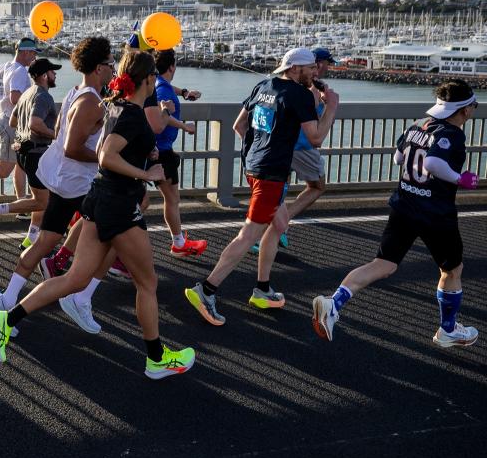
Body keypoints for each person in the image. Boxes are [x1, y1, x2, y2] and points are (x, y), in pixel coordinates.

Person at [0, 50, 196, 379]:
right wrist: (146, 174)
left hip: (99, 199)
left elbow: (107, 147)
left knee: (75, 278)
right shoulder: (134, 115)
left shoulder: (114, 104)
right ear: (150, 80)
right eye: (154, 78)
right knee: (148, 283)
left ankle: (5, 320)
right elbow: (107, 155)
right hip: (120, 206)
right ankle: (156, 358)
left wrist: (144, 151)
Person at [313, 80, 480, 348]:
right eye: (472, 106)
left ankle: (334, 303)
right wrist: (461, 179)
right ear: (464, 110)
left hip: (404, 205)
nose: (472, 111)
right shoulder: (453, 133)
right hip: (435, 213)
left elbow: (398, 159)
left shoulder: (418, 125)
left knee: (384, 264)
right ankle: (448, 330)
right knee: (452, 269)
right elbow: (433, 162)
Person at [185, 47, 339, 326]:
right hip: (270, 175)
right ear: (294, 69)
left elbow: (239, 125)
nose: (315, 72)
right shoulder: (300, 95)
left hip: (253, 167)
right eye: (309, 68)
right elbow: (315, 138)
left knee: (278, 224)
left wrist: (260, 149)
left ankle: (263, 289)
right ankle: (206, 290)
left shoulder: (262, 85)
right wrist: (332, 107)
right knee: (247, 236)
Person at [254, 47, 335, 253]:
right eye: (326, 63)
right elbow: (314, 132)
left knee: (278, 192)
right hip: (299, 145)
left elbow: (242, 124)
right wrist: (331, 105)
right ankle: (277, 227)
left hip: (269, 151)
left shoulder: (269, 86)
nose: (326, 67)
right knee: (317, 185)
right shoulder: (308, 89)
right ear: (315, 64)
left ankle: (267, 232)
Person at [0, 57, 61, 248]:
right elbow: (36, 123)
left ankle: (32, 238)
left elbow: (12, 122)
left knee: (42, 198)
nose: (55, 74)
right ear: (44, 75)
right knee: (41, 201)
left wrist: (22, 137)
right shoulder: (43, 96)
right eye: (52, 71)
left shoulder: (27, 94)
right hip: (37, 154)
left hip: (26, 152)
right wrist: (57, 136)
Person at [145, 49, 207, 258]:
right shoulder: (162, 90)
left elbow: (165, 89)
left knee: (167, 198)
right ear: (172, 66)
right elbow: (161, 116)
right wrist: (184, 126)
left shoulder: (158, 84)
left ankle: (178, 239)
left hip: (158, 148)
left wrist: (184, 93)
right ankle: (178, 243)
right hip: (160, 150)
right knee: (170, 198)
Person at [0, 38, 37, 201]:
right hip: (12, 122)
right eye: (33, 53)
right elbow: (15, 97)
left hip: (3, 118)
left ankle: (21, 202)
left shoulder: (2, 67)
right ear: (25, 52)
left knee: (20, 164)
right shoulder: (20, 71)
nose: (34, 57)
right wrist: (34, 102)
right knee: (3, 169)